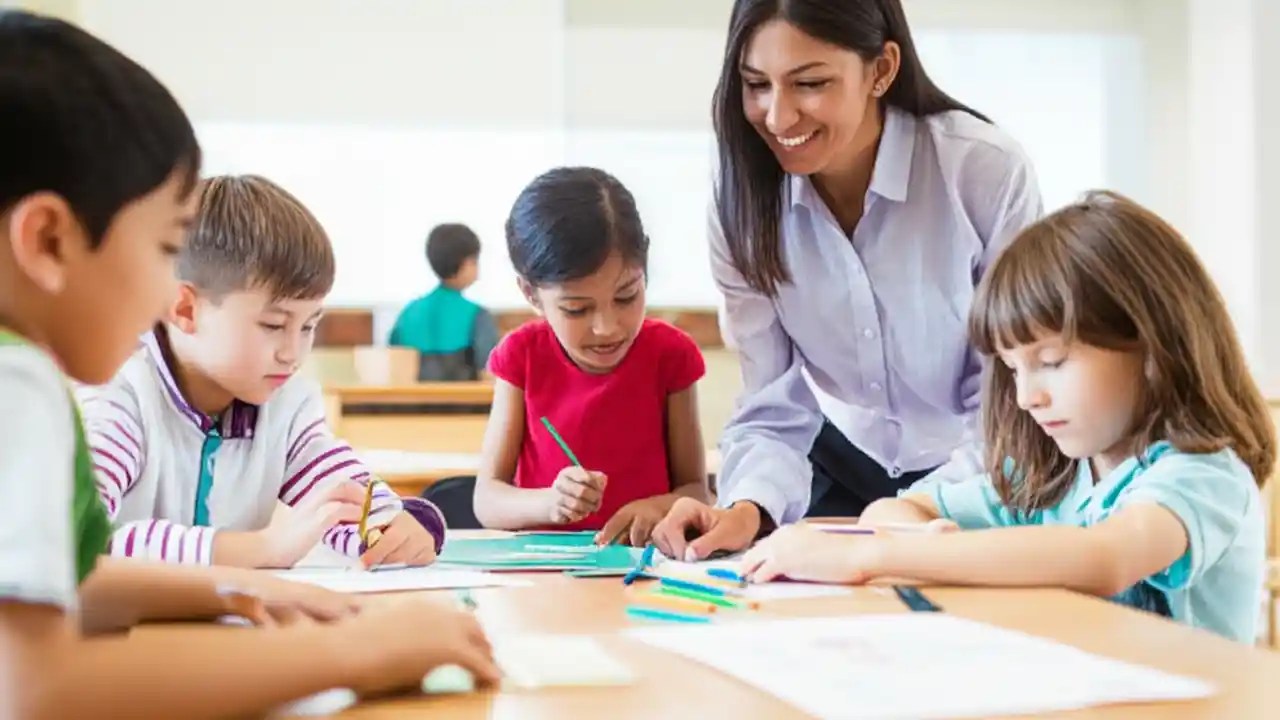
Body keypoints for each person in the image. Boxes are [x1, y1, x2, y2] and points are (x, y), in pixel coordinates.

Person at [0, 11, 497, 718]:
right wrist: (357, 652)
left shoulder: (27, 378)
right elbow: (33, 690)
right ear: (49, 240)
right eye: (164, 247)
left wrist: (245, 587)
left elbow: (76, 579)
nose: (162, 297)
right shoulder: (23, 388)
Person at [741, 192, 1273, 644]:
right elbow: (899, 506)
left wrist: (871, 557)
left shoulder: (1202, 476)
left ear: (1154, 349)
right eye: (1014, 369)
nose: (1026, 398)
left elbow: (1105, 557)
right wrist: (919, 540)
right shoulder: (1053, 482)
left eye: (1051, 363)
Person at [653, 0, 1041, 561]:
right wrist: (744, 509)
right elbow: (772, 399)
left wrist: (917, 510)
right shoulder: (740, 203)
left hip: (979, 467)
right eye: (756, 84)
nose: (778, 117)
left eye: (809, 83)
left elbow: (1008, 393)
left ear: (881, 70)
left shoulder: (981, 170)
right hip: (836, 462)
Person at [82, 174, 446, 568]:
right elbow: (80, 535)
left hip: (231, 622)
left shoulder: (286, 403)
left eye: (308, 326)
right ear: (185, 309)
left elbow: (344, 494)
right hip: (120, 628)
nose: (293, 353)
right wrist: (261, 550)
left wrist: (398, 527)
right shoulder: (118, 393)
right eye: (273, 325)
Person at [473, 167, 711, 546]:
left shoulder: (670, 355)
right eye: (577, 309)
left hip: (643, 565)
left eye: (626, 296)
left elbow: (697, 491)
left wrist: (657, 507)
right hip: (543, 574)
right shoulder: (522, 356)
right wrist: (549, 503)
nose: (607, 327)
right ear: (531, 294)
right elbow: (487, 499)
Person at [390, 223, 499, 381]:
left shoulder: (408, 313)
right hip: (467, 403)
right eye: (475, 261)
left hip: (414, 403)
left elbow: (395, 367)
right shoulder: (478, 315)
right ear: (466, 263)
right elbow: (489, 374)